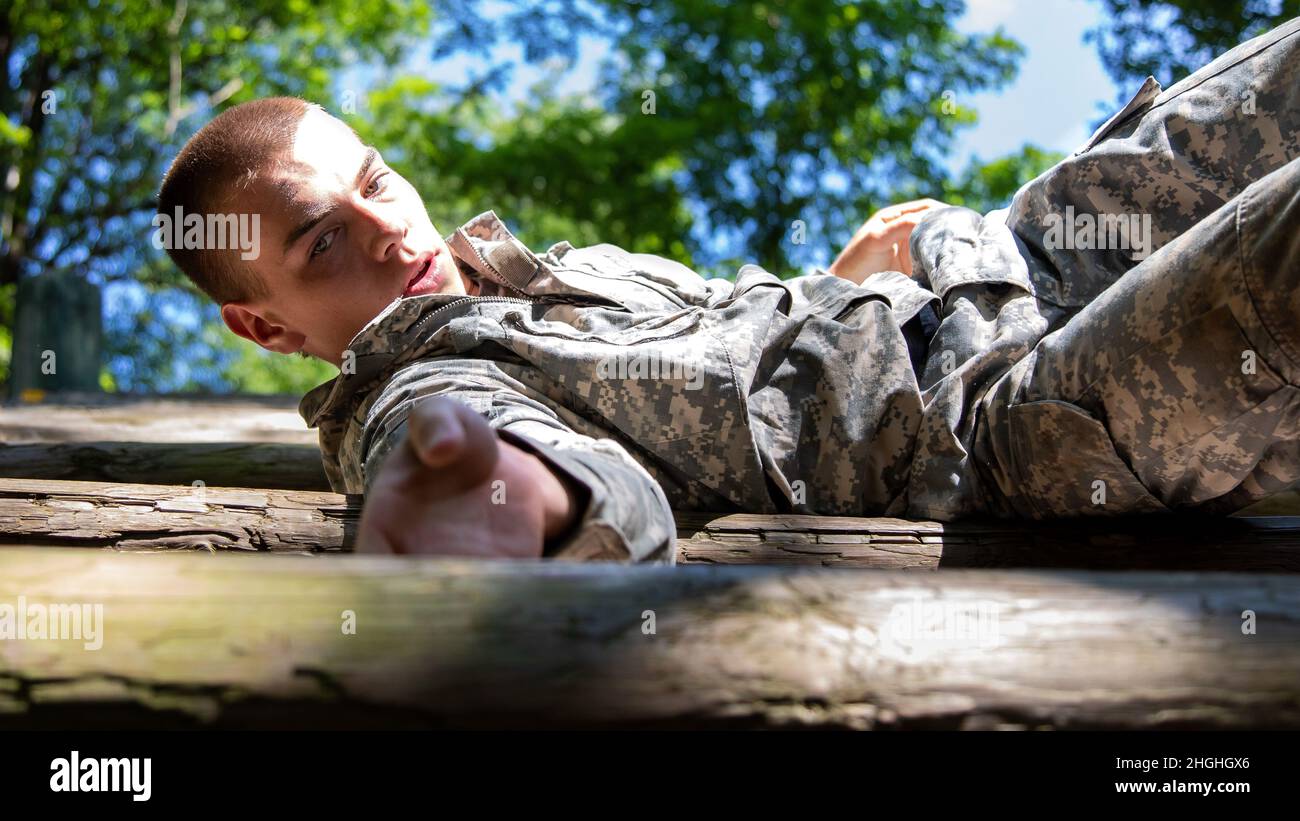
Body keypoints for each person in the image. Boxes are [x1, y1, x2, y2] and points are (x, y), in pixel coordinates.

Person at [155, 18, 1300, 562]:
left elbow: (747, 355)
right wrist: (496, 504)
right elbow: (530, 468)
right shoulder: (427, 393)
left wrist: (838, 288)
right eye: (318, 242)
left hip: (1020, 248)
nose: (385, 226)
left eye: (376, 180)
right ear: (259, 322)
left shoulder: (575, 274)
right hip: (1017, 410)